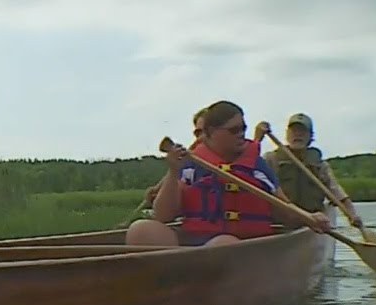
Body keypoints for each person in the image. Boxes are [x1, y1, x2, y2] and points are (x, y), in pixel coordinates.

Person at [126, 100, 331, 247]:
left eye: (243, 128)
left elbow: (284, 209)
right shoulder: (191, 166)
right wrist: (172, 172)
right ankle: (167, 286)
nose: (241, 134)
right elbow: (162, 215)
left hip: (240, 246)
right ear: (209, 134)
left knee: (222, 243)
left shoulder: (256, 166)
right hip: (195, 242)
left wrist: (309, 218)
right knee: (141, 229)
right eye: (233, 130)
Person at [263, 113, 363, 228]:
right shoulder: (271, 159)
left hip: (312, 221)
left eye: (303, 131)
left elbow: (338, 194)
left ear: (311, 136)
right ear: (287, 134)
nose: (298, 134)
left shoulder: (320, 165)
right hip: (280, 223)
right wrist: (258, 138)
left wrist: (352, 215)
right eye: (294, 130)